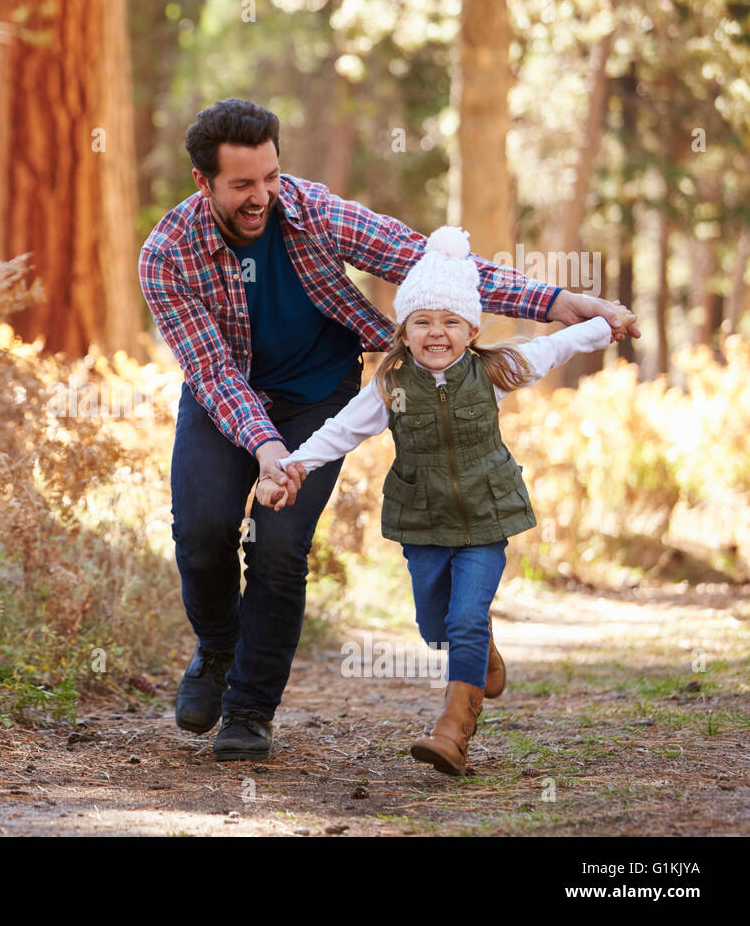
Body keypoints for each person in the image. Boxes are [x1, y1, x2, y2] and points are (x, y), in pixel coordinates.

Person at [138, 98, 639, 763]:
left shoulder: (312, 211)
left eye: (270, 178)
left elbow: (431, 265)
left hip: (318, 394)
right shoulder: (167, 255)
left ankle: (250, 710)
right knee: (201, 534)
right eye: (242, 186)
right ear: (203, 184)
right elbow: (214, 373)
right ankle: (217, 648)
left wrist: (555, 303)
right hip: (225, 396)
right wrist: (265, 449)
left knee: (281, 545)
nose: (263, 197)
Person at [255, 224, 636, 775]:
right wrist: (291, 465)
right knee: (436, 624)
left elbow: (555, 345)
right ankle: (481, 651)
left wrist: (607, 324)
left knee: (465, 617)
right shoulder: (391, 386)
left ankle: (453, 732)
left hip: (486, 517)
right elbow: (340, 431)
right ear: (405, 331)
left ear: (472, 327)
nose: (438, 333)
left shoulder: (494, 369)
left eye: (451, 322)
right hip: (423, 520)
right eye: (423, 322)